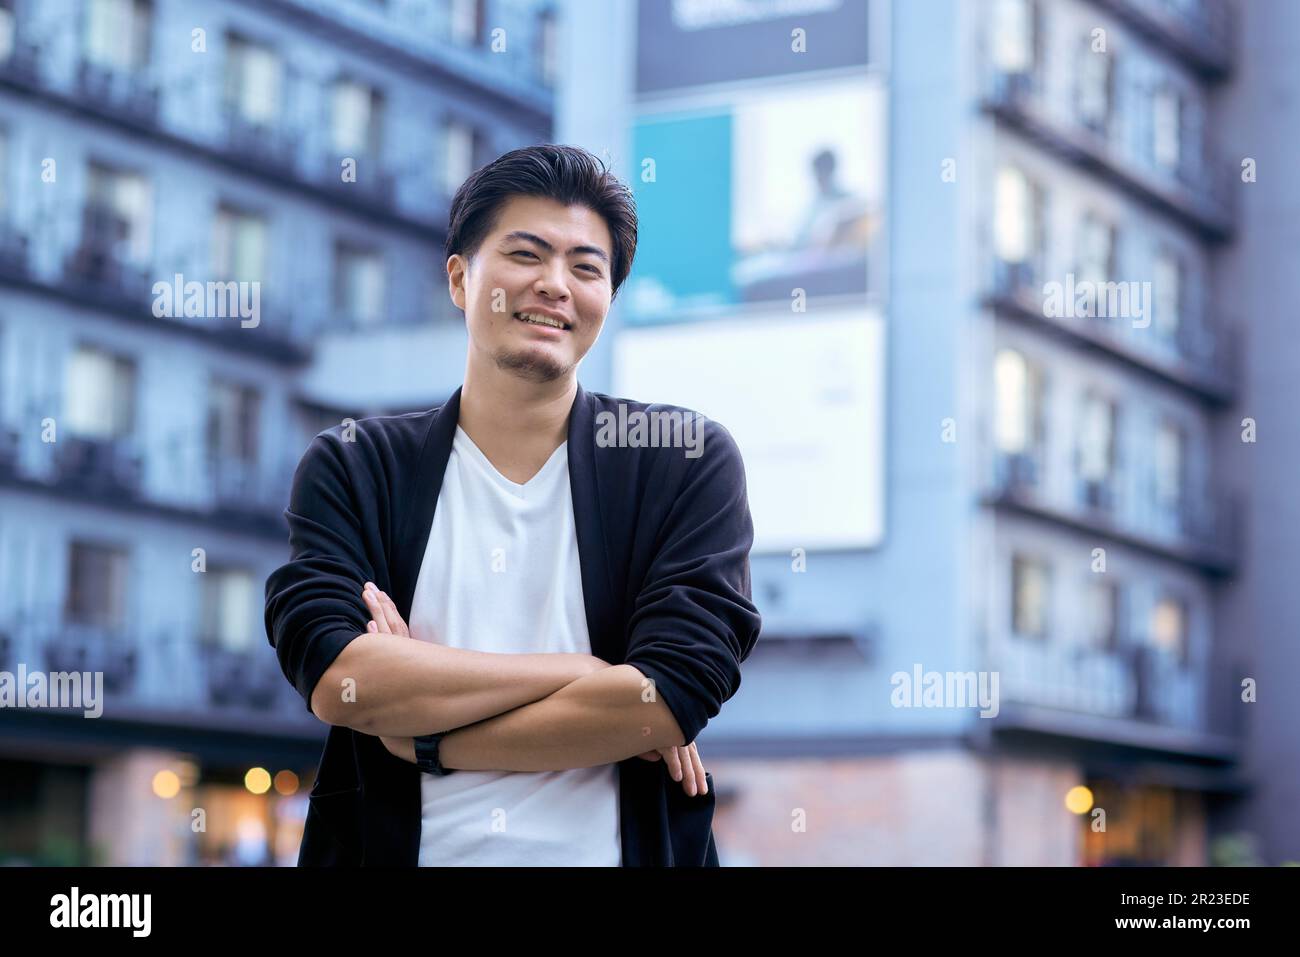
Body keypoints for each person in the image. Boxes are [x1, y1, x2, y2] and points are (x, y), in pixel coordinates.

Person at [264, 144, 762, 866]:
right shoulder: (356, 465)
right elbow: (341, 680)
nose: (555, 284)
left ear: (607, 300)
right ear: (462, 280)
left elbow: (670, 690)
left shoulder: (682, 461)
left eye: (586, 267)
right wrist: (588, 676)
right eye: (526, 254)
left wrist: (424, 735)